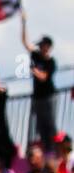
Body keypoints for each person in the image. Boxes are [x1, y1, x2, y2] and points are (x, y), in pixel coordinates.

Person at [22, 14, 57, 150]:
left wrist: (33, 70)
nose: (41, 47)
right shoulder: (36, 55)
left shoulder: (51, 62)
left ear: (48, 46)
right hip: (37, 97)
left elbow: (44, 77)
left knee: (50, 124)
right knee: (40, 126)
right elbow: (26, 43)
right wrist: (24, 23)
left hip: (48, 97)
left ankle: (53, 148)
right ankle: (46, 148)